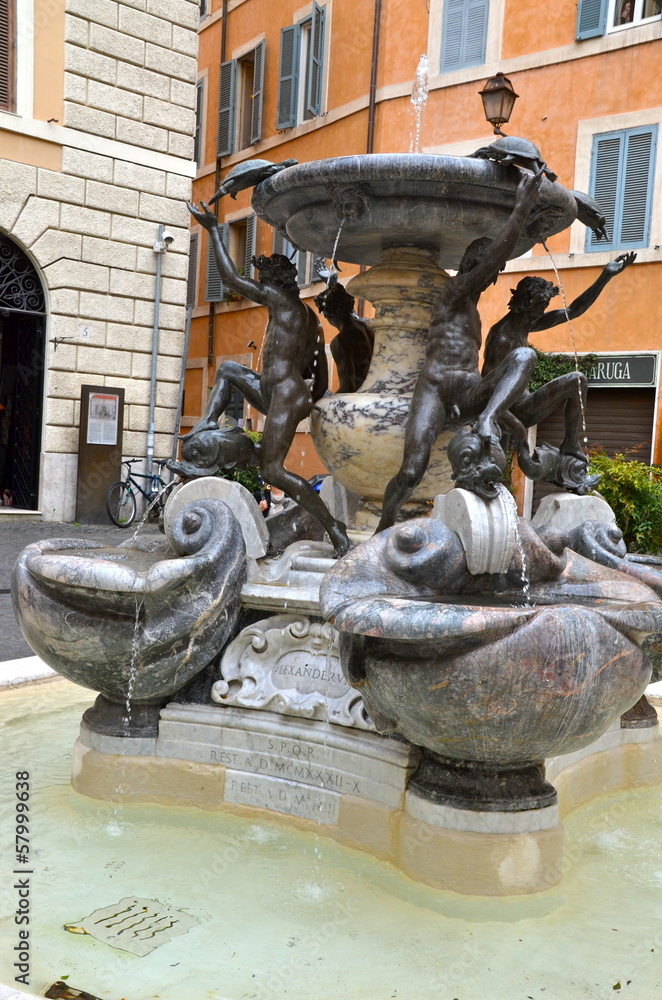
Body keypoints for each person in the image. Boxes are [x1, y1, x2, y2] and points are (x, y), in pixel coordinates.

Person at [377, 168, 543, 532]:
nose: (495, 270)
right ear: (474, 265)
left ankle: (486, 418)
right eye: (491, 264)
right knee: (410, 471)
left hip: (468, 391)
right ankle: (384, 527)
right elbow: (491, 256)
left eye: (497, 267)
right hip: (435, 388)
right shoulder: (454, 292)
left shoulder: (475, 310)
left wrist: (509, 428)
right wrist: (521, 210)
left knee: (525, 356)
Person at [185, 200, 350, 555]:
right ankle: (207, 424)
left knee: (273, 471)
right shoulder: (308, 315)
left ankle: (333, 526)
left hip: (284, 395)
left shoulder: (279, 301)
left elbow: (230, 279)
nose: (259, 285)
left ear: (275, 281)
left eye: (263, 279)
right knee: (229, 369)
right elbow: (320, 370)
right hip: (281, 392)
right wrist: (312, 400)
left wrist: (215, 230)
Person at [481, 253, 636, 461]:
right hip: (512, 413)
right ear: (526, 304)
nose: (542, 313)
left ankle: (570, 443)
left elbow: (573, 310)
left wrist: (604, 277)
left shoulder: (526, 324)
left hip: (526, 406)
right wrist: (513, 429)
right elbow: (488, 392)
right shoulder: (501, 337)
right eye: (539, 308)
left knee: (577, 380)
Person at [314, 274, 374, 393]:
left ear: (328, 315)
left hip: (359, 398)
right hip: (377, 391)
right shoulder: (368, 325)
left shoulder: (340, 341)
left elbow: (348, 386)